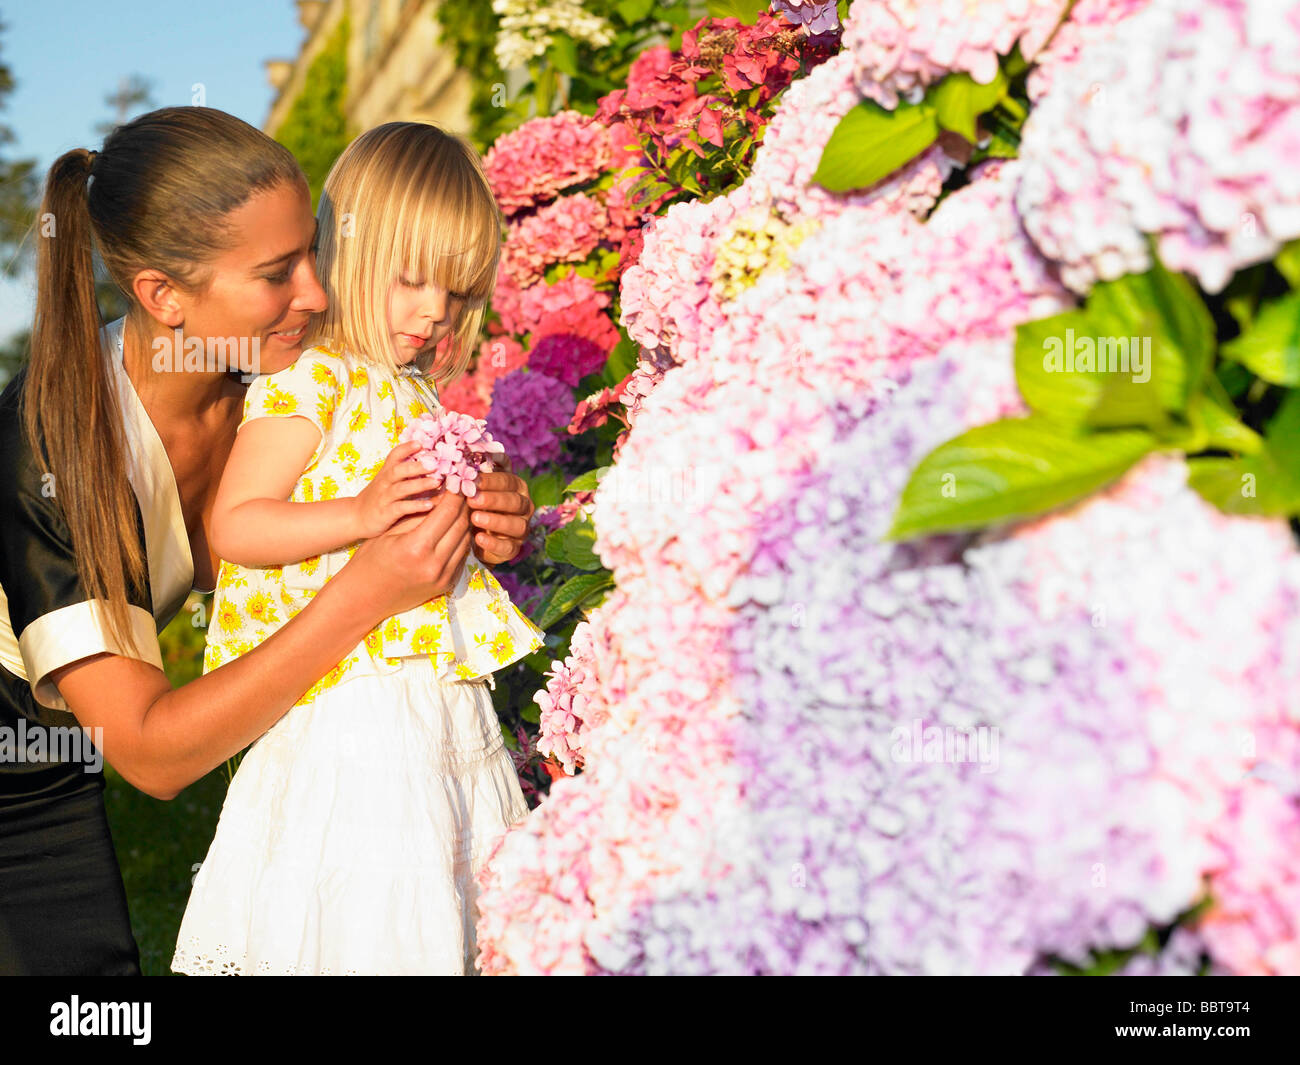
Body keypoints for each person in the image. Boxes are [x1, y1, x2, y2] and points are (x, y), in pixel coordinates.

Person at [0, 108, 535, 976]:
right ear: (163, 296)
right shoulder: (47, 457)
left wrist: (482, 514)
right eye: (277, 272)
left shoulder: (280, 371)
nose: (319, 294)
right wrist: (369, 588)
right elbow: (154, 753)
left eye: (313, 254)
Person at [170, 122, 546, 976]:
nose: (433, 312)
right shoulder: (315, 375)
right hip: (348, 702)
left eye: (455, 292)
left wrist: (490, 519)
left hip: (436, 699)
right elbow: (238, 523)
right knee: (364, 909)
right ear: (344, 251)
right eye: (411, 280)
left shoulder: (417, 391)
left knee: (446, 902)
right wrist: (361, 511)